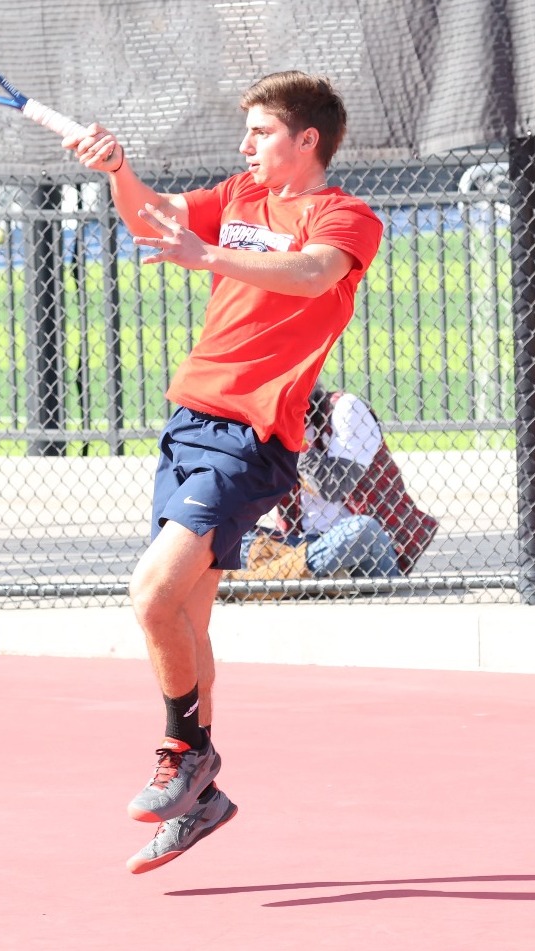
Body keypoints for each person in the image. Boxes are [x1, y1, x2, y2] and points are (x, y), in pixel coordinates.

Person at [64, 72, 382, 874]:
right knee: (186, 617)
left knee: (151, 592)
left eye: (260, 132)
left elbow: (313, 273)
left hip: (251, 436)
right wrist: (117, 171)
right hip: (188, 423)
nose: (245, 147)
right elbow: (154, 222)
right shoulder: (239, 195)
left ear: (305, 139)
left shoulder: (343, 216)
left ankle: (185, 750)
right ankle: (203, 798)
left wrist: (209, 254)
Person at [227, 384, 438, 588]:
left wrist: (294, 440)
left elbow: (334, 487)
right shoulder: (268, 428)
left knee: (363, 529)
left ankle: (277, 579)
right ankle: (312, 576)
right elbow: (248, 500)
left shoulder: (346, 408)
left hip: (364, 550)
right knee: (228, 530)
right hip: (301, 544)